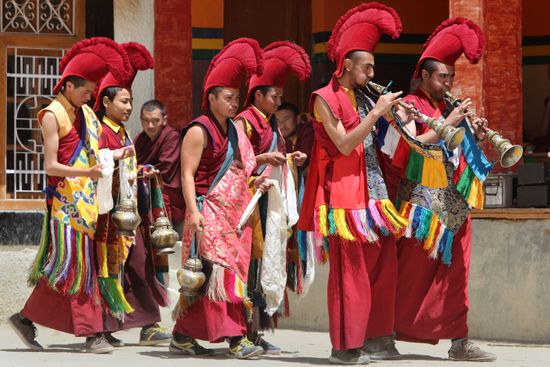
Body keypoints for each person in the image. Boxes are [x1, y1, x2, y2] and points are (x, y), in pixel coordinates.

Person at [297, 3, 408, 364]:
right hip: (344, 196)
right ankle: (345, 346)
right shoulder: (322, 99)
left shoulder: (363, 95)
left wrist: (397, 116)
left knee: (383, 267)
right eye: (367, 67)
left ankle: (377, 338)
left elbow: (383, 139)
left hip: (375, 194)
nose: (373, 73)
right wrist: (376, 112)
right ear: (346, 65)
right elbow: (344, 144)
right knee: (351, 273)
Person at [8, 37, 131, 353]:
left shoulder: (87, 115)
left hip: (87, 203)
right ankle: (93, 333)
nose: (90, 96)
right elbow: (51, 165)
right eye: (86, 91)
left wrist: (115, 158)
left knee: (70, 269)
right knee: (75, 267)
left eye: (92, 91)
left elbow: (96, 152)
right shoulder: (52, 114)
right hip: (65, 205)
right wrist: (85, 174)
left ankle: (25, 318)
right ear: (67, 86)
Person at [383, 18, 497, 362]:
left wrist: (475, 135)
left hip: (453, 202)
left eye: (450, 77)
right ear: (423, 77)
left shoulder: (449, 107)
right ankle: (386, 334)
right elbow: (408, 144)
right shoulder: (407, 106)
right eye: (441, 77)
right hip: (420, 205)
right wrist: (447, 125)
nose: (447, 83)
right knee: (410, 274)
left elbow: (459, 149)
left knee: (458, 273)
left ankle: (460, 342)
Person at [170, 38, 267, 360]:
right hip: (206, 211)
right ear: (211, 97)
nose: (233, 104)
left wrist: (258, 179)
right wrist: (192, 213)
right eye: (227, 98)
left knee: (218, 274)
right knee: (217, 274)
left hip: (232, 215)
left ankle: (183, 336)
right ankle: (236, 339)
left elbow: (242, 168)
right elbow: (187, 174)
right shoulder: (198, 130)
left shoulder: (235, 131)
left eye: (237, 98)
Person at [92, 42, 172, 348]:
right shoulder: (101, 130)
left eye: (130, 101)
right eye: (124, 101)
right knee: (110, 268)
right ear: (107, 102)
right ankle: (102, 327)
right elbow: (97, 163)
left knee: (139, 265)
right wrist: (114, 156)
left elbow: (128, 167)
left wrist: (142, 172)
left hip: (129, 214)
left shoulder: (123, 131)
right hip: (108, 216)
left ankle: (148, 324)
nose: (129, 107)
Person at [234, 41, 310, 354]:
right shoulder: (243, 122)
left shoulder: (270, 125)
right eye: (274, 96)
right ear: (257, 95)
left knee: (265, 266)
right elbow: (236, 164)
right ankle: (239, 332)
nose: (278, 102)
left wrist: (292, 158)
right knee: (248, 268)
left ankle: (256, 332)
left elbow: (275, 156)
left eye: (280, 97)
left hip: (269, 204)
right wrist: (263, 161)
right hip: (248, 204)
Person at [134, 100, 185, 233]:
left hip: (168, 198)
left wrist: (141, 170)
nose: (150, 125)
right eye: (145, 121)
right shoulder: (140, 140)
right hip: (145, 199)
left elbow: (164, 168)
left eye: (155, 120)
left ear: (164, 120)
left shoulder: (171, 137)